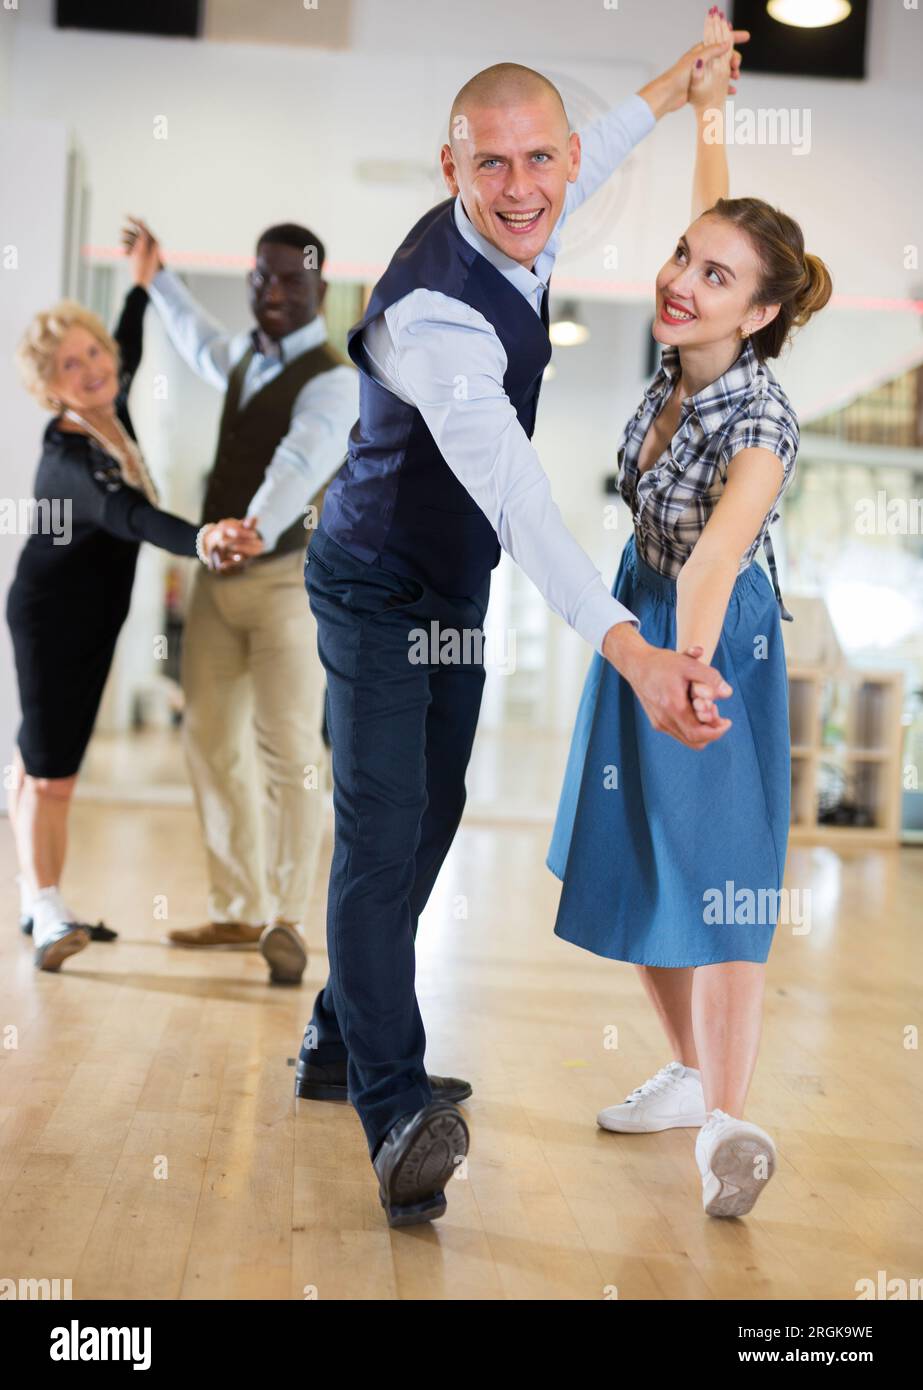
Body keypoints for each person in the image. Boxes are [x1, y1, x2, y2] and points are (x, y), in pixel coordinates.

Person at [294, 23, 750, 1227]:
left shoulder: (540, 194)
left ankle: (337, 1035)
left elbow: (591, 149)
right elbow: (521, 503)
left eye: (535, 159)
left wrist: (678, 85)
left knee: (433, 815)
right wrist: (633, 647)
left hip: (451, 588)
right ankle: (394, 1109)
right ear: (450, 168)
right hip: (373, 579)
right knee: (383, 831)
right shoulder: (435, 320)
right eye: (489, 165)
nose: (523, 187)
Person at [547, 9, 833, 1218]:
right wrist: (708, 113)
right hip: (638, 613)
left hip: (714, 633)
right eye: (679, 256)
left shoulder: (758, 417)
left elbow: (717, 560)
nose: (679, 278)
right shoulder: (682, 355)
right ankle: (683, 1074)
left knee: (719, 882)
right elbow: (720, 226)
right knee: (635, 857)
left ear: (756, 313)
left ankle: (725, 1125)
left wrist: (687, 669)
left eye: (713, 277)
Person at [122, 218, 359, 985]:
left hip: (288, 582)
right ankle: (238, 905)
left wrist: (247, 530)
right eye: (263, 276)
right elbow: (195, 338)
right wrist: (157, 276)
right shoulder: (239, 359)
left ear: (320, 288)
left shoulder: (333, 376)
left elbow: (301, 460)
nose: (275, 290)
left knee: (289, 747)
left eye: (292, 278)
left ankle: (287, 916)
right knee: (209, 739)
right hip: (216, 583)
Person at [6, 240, 249, 972]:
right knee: (52, 771)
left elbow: (128, 351)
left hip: (91, 611)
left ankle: (32, 896)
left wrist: (141, 288)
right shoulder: (72, 458)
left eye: (92, 354)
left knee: (34, 761)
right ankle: (48, 908)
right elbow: (136, 519)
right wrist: (202, 536)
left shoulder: (106, 407)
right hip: (53, 620)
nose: (91, 370)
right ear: (51, 388)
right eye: (69, 368)